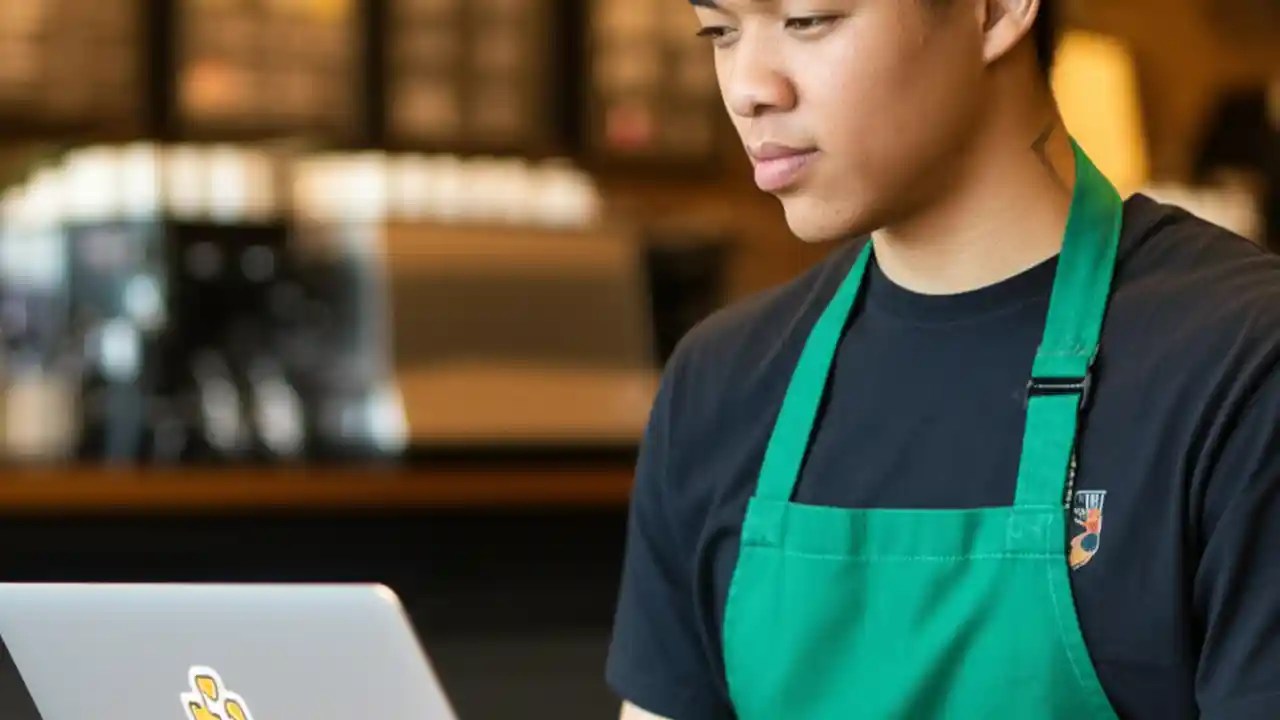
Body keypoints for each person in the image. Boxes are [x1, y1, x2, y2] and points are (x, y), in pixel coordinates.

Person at [605, 0, 1280, 718]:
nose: (747, 87)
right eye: (721, 31)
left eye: (807, 19)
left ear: (997, 12)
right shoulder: (718, 384)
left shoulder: (1240, 365)